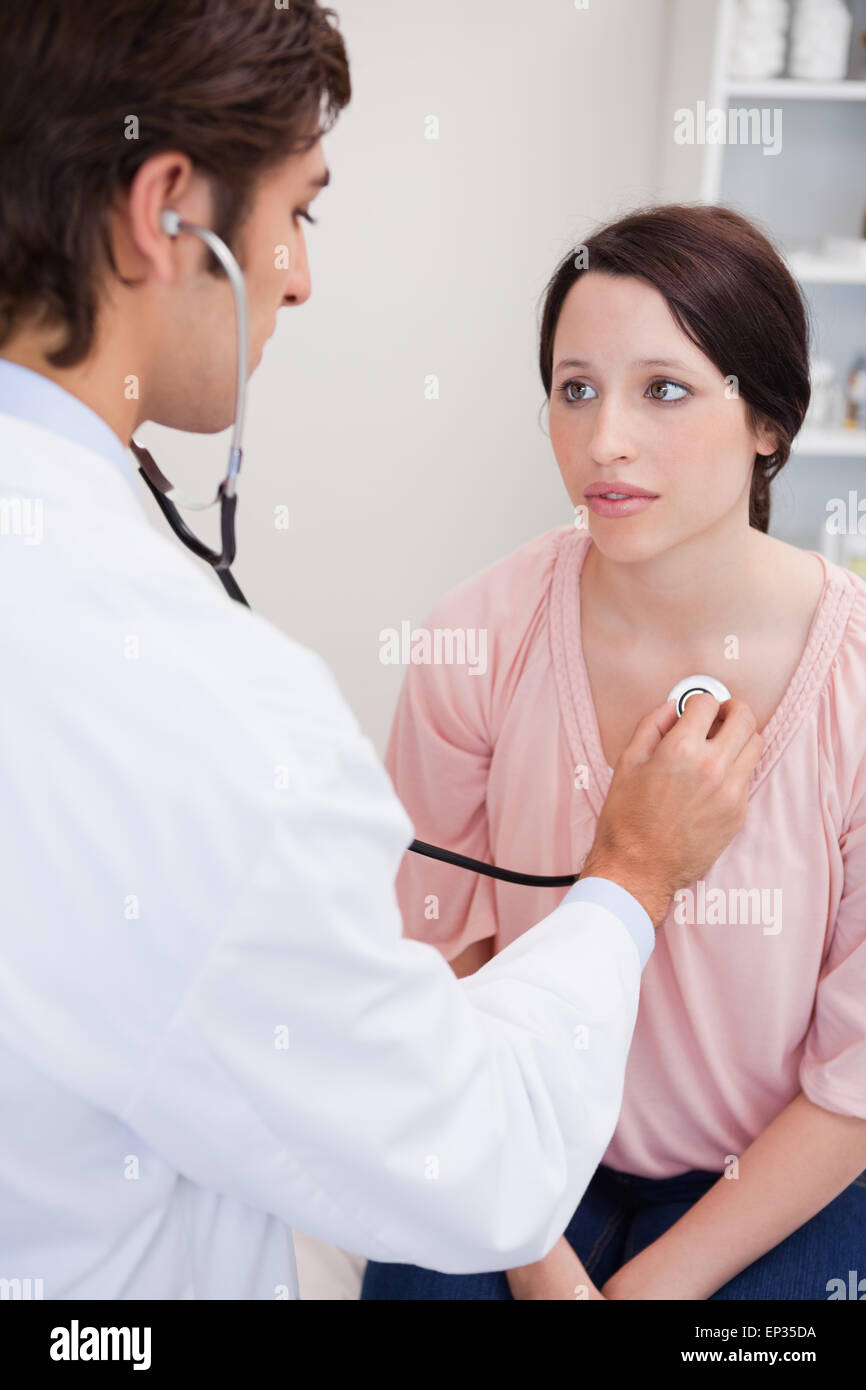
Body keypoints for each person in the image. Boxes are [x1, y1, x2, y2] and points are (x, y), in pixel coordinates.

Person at [0, 4, 761, 1299]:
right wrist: (629, 878)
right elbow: (471, 1153)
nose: (299, 275)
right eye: (299, 211)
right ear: (167, 210)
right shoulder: (232, 699)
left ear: (768, 420)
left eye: (664, 388)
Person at [360, 204, 866, 1301]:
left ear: (768, 420)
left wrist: (650, 1290)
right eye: (574, 387)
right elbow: (431, 969)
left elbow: (857, 1077)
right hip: (520, 1134)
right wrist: (543, 1268)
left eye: (663, 390)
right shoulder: (474, 639)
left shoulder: (855, 679)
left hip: (780, 1162)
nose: (604, 442)